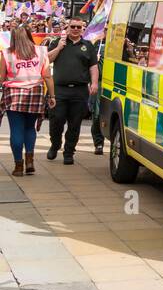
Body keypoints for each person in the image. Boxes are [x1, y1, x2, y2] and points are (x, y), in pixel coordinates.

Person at [0, 24, 55, 176]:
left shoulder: (6, 54)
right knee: (29, 128)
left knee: (16, 130)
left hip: (13, 94)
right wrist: (52, 96)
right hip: (35, 93)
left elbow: (1, 78)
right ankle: (30, 161)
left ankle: (18, 166)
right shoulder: (41, 52)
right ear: (30, 36)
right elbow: (48, 76)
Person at [45, 17, 100, 164]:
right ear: (67, 28)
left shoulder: (88, 46)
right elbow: (47, 60)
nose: (75, 29)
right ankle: (55, 145)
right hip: (59, 90)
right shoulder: (57, 42)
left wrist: (94, 83)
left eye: (78, 27)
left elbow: (93, 66)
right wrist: (59, 48)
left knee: (75, 124)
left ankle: (69, 152)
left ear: (83, 29)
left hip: (80, 91)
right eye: (73, 26)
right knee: (56, 121)